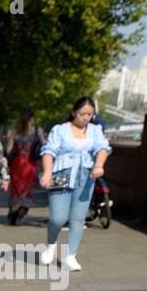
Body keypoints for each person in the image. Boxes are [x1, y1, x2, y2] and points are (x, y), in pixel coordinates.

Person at [39, 96, 111, 272]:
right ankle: (50, 245)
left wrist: (99, 165)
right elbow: (49, 151)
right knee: (57, 218)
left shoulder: (95, 130)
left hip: (85, 176)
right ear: (73, 112)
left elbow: (102, 148)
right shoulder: (60, 130)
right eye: (82, 114)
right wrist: (47, 173)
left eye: (89, 114)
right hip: (61, 174)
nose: (86, 117)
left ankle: (71, 256)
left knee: (78, 219)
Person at [5, 107, 43, 225]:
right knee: (27, 188)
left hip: (17, 163)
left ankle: (13, 208)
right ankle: (23, 209)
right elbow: (45, 145)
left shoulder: (15, 130)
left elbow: (8, 150)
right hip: (30, 163)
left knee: (16, 189)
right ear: (32, 117)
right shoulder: (38, 130)